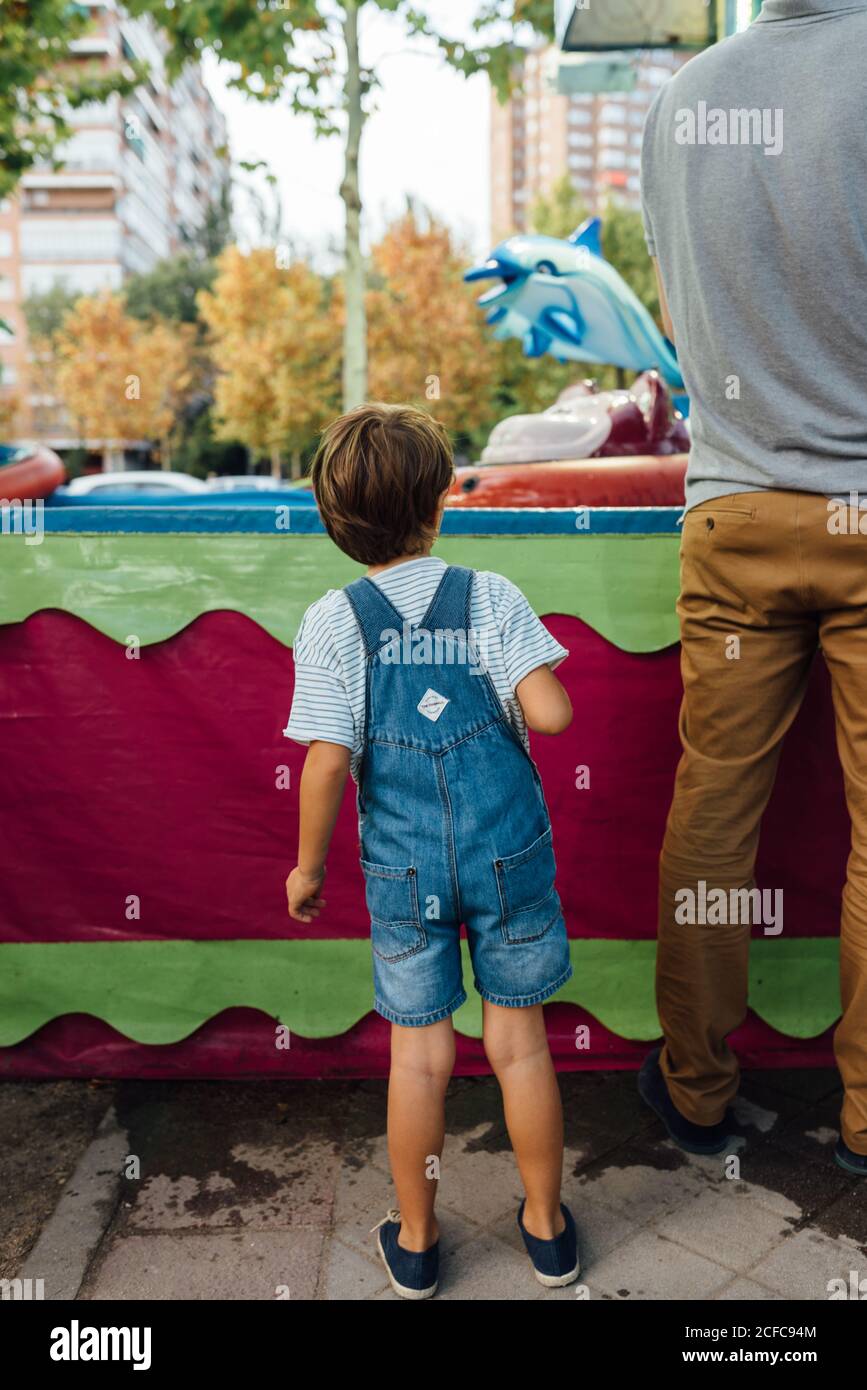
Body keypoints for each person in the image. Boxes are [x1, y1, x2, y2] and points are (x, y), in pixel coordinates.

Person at [638, 0, 867, 1174]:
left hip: (730, 509)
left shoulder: (680, 103)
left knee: (715, 817)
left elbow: (680, 319)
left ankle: (695, 1085)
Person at [284, 402, 579, 1297]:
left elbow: (327, 764)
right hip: (508, 856)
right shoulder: (490, 597)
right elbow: (554, 715)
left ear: (338, 526)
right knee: (519, 1046)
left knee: (419, 1056)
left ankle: (414, 1241)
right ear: (441, 500)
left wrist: (309, 867)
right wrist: (528, 690)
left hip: (403, 871)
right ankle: (546, 1231)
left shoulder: (334, 622)